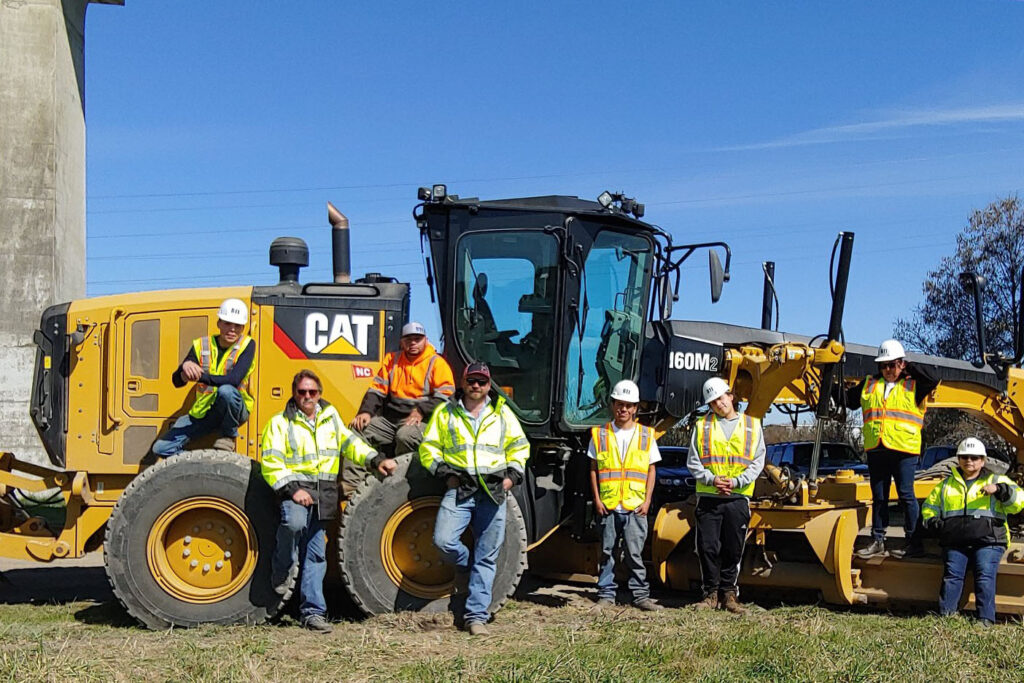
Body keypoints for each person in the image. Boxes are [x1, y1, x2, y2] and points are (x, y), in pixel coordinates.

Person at [260, 370, 397, 632]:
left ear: (319, 393)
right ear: (294, 393)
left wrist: (376, 460)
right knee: (293, 525)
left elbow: (350, 444)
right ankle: (283, 567)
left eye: (312, 392)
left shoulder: (330, 417)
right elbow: (271, 462)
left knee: (316, 555)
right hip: (296, 491)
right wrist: (292, 490)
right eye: (302, 392)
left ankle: (313, 614)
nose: (307, 396)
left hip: (323, 495)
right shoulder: (279, 423)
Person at [419, 362, 530, 636]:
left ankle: (476, 617)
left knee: (487, 557)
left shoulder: (502, 412)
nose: (476, 386)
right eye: (472, 381)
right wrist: (445, 473)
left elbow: (519, 446)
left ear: (489, 384)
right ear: (463, 382)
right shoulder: (446, 412)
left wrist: (511, 477)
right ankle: (465, 563)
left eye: (481, 381)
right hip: (461, 489)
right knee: (443, 540)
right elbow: (428, 447)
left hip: (492, 492)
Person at [847, 339, 938, 558]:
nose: (888, 370)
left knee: (906, 495)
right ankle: (878, 539)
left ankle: (914, 542)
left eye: (892, 364)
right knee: (879, 496)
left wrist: (909, 367)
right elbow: (849, 401)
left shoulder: (914, 385)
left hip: (904, 450)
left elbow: (933, 378)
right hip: (877, 448)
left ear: (901, 363)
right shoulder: (869, 384)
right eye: (883, 365)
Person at [921, 437, 1024, 626]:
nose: (969, 461)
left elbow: (1018, 503)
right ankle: (947, 617)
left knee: (984, 575)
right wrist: (937, 525)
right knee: (952, 576)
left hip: (990, 541)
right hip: (955, 541)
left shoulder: (997, 480)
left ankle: (985, 619)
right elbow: (929, 508)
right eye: (965, 457)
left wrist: (1000, 490)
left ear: (983, 460)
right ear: (958, 459)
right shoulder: (946, 485)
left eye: (975, 457)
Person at [344, 322, 455, 494]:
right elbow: (376, 390)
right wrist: (365, 412)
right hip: (391, 419)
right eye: (408, 339)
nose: (413, 343)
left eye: (417, 339)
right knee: (357, 430)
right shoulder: (392, 360)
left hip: (422, 420)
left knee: (405, 436)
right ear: (401, 342)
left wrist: (421, 410)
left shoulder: (437, 363)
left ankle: (398, 483)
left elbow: (446, 397)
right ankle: (351, 489)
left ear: (425, 340)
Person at [687, 376, 765, 614]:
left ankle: (729, 594)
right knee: (707, 547)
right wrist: (712, 479)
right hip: (709, 497)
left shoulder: (752, 425)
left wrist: (737, 481)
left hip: (737, 497)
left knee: (733, 548)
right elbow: (693, 461)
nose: (718, 404)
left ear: (731, 396)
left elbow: (757, 461)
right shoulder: (702, 426)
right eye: (713, 402)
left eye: (721, 398)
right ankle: (710, 593)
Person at [588, 379, 663, 612]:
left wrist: (647, 501)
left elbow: (651, 470)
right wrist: (597, 499)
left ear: (635, 408)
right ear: (613, 405)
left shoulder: (646, 435)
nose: (624, 409)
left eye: (628, 405)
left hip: (635, 506)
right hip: (609, 505)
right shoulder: (600, 434)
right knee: (607, 552)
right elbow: (593, 468)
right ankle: (606, 595)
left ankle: (640, 596)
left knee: (634, 553)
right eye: (620, 404)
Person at [153, 298, 256, 457]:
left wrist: (200, 376)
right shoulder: (202, 345)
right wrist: (184, 369)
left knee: (227, 391)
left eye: (237, 326)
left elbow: (233, 380)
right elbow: (177, 381)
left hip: (234, 410)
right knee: (160, 448)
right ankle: (195, 465)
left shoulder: (247, 345)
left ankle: (228, 435)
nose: (232, 329)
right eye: (227, 323)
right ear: (219, 323)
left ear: (243, 328)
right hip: (204, 412)